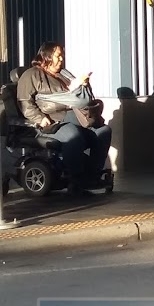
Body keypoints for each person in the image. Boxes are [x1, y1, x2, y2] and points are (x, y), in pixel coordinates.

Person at [15, 41, 112, 195]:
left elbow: (77, 98)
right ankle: (76, 178)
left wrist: (84, 86)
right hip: (52, 121)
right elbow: (25, 103)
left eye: (62, 56)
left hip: (75, 116)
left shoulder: (64, 74)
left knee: (103, 131)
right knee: (73, 135)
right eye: (58, 56)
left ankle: (91, 175)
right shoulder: (31, 75)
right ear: (46, 56)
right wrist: (40, 118)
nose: (61, 59)